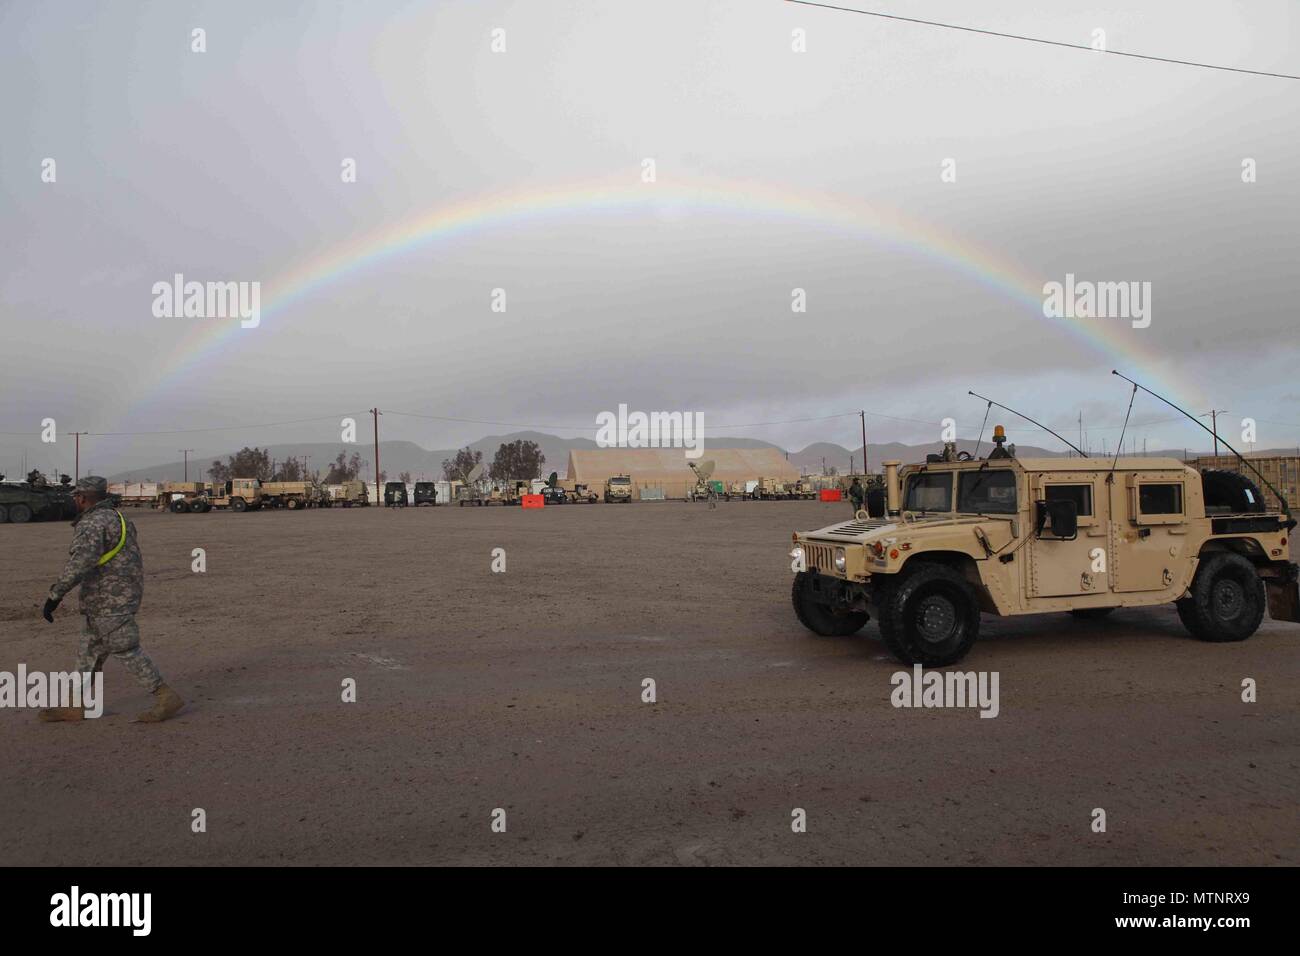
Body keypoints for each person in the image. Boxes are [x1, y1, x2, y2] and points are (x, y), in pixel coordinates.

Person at [39, 476, 184, 723]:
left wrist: (55, 594)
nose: (75, 500)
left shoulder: (93, 523)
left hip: (109, 598)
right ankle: (75, 704)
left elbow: (80, 562)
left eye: (76, 496)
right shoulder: (119, 518)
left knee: (125, 648)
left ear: (82, 498)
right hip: (115, 594)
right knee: (88, 651)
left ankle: (164, 695)